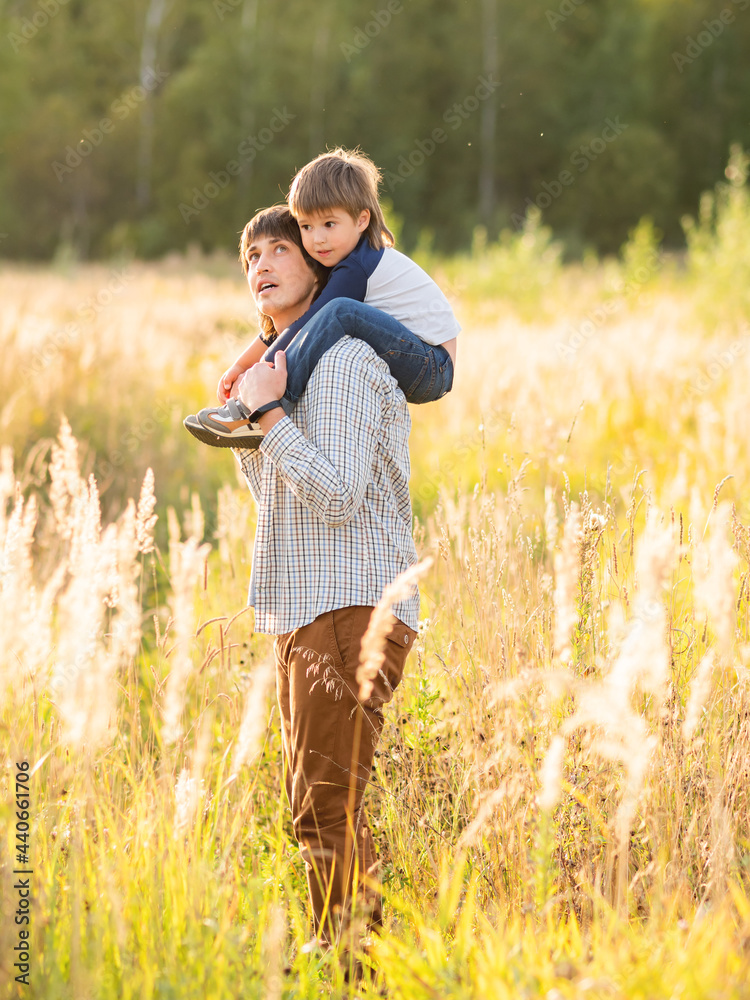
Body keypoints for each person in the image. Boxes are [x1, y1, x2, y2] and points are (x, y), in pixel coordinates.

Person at [228, 204, 420, 955]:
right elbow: (283, 497)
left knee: (323, 808)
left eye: (282, 248)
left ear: (321, 263)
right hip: (305, 607)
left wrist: (270, 417)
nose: (263, 264)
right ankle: (349, 960)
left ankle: (350, 971)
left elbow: (337, 494)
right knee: (319, 806)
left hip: (351, 608)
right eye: (251, 256)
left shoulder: (342, 361)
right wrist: (252, 413)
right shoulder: (292, 365)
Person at [183, 147, 459, 448]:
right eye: (306, 226)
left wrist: (260, 376)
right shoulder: (348, 259)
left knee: (341, 312)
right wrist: (240, 366)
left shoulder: (356, 269)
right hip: (420, 358)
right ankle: (261, 400)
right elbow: (300, 324)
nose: (317, 239)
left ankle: (268, 404)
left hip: (433, 365)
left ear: (362, 220)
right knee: (332, 314)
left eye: (329, 224)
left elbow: (308, 322)